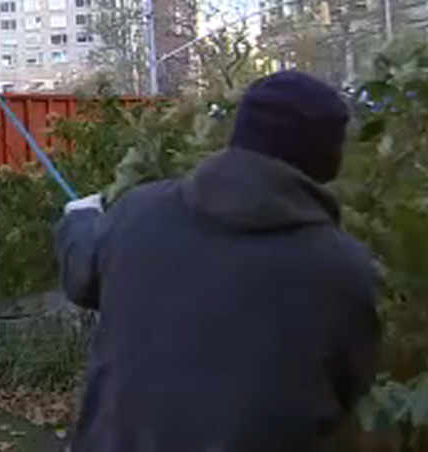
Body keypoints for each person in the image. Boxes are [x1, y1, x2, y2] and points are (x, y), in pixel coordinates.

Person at [57, 70, 381, 451]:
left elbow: (82, 274)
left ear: (240, 135)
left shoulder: (139, 212)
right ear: (330, 161)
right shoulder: (343, 268)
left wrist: (80, 217)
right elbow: (346, 387)